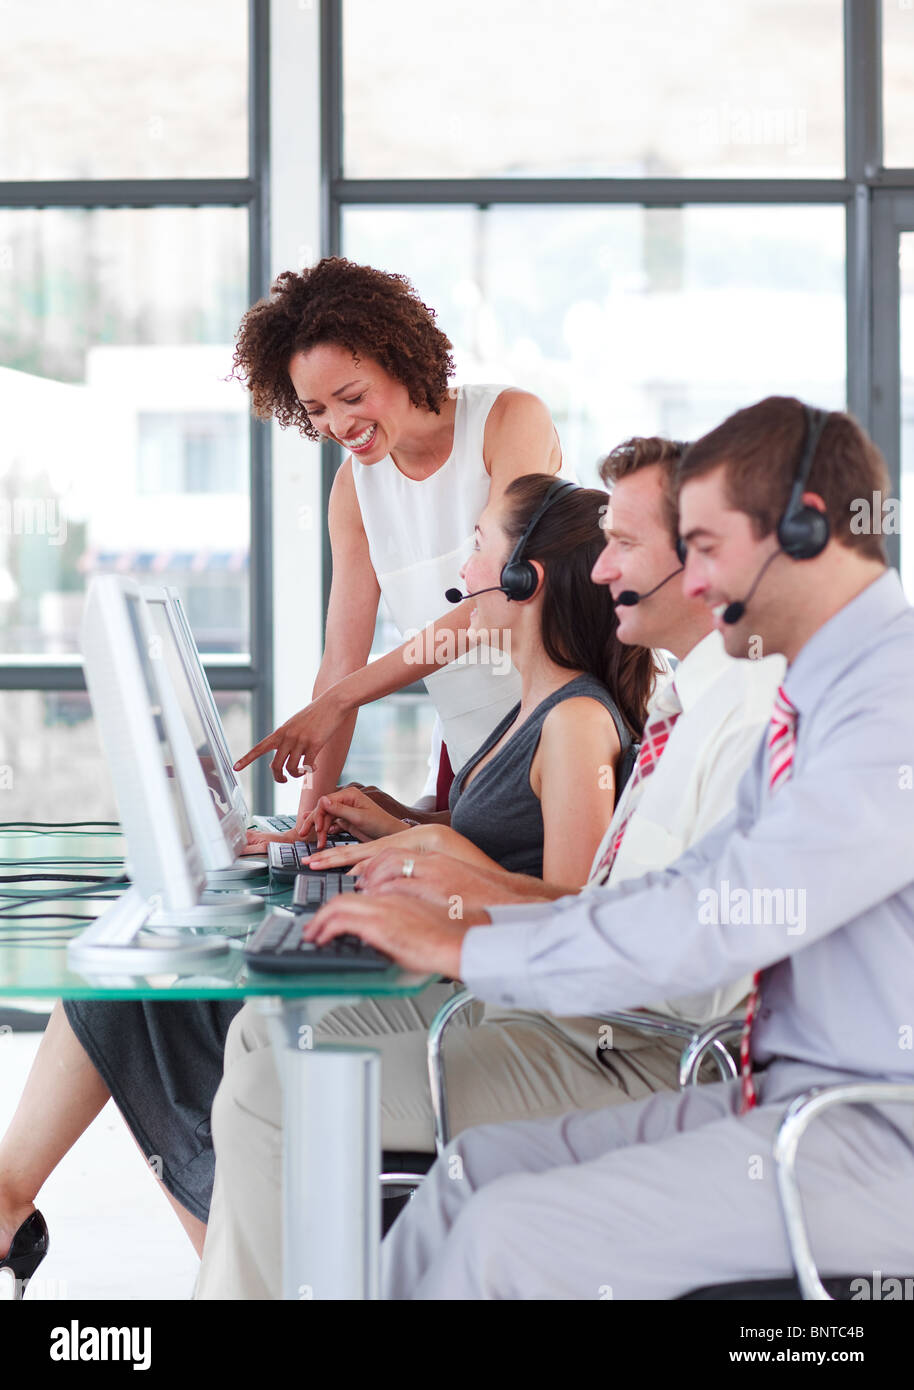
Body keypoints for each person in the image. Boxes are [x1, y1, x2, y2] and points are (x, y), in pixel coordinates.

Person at [291, 397, 914, 1299]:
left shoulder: (887, 705)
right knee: (471, 1176)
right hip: (782, 1102)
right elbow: (693, 882)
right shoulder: (815, 690)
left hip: (873, 1137)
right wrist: (472, 915)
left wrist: (470, 943)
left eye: (703, 549)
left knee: (512, 1237)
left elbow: (725, 912)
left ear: (807, 528)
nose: (690, 584)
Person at [0, 476, 652, 1293]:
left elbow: (568, 906)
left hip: (469, 1000)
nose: (463, 559)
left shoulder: (576, 721)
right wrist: (395, 817)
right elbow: (501, 840)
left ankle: (220, 1257)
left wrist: (434, 844)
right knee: (143, 994)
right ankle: (215, 1252)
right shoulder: (532, 709)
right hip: (439, 963)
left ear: (527, 580)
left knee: (144, 996)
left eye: (479, 541)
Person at [192, 435, 785, 1299]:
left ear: (698, 560)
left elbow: (664, 950)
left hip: (623, 1046)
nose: (604, 566)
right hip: (581, 1013)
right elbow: (619, 906)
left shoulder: (738, 719)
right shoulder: (683, 706)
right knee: (266, 1032)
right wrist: (450, 877)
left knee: (266, 1088)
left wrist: (466, 906)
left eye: (624, 544)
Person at [229, 256, 574, 834]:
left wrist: (338, 702)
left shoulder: (508, 420)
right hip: (480, 757)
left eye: (352, 396)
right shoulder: (353, 490)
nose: (338, 424)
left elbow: (498, 600)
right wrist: (302, 827)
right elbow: (341, 661)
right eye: (316, 410)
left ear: (397, 358)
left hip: (571, 729)